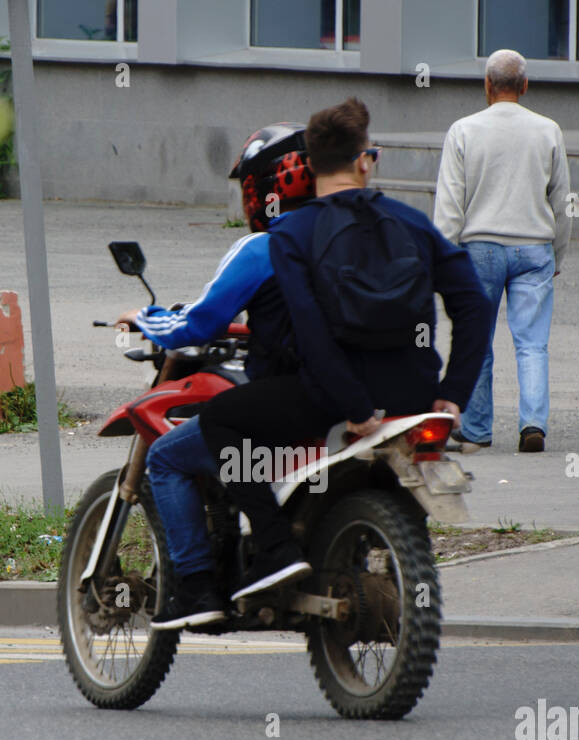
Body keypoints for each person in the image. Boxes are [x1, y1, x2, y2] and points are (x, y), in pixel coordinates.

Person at [198, 96, 492, 601]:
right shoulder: (414, 223)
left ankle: (274, 547)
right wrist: (453, 391)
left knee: (217, 421)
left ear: (310, 167)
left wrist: (354, 407)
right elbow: (475, 304)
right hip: (415, 397)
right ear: (366, 160)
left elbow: (310, 331)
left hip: (330, 401)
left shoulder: (290, 232)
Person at [112, 123, 315, 630]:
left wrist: (148, 320)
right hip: (363, 394)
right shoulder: (346, 239)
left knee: (168, 457)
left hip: (296, 395)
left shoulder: (263, 248)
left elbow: (197, 323)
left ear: (265, 187)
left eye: (248, 186)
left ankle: (199, 588)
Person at [433, 48, 571, 454]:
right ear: (525, 86)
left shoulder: (463, 130)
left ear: (487, 86)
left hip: (480, 250)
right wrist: (557, 254)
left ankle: (476, 428)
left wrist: (443, 258)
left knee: (477, 338)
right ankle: (533, 424)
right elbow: (562, 201)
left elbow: (449, 204)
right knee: (533, 343)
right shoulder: (549, 130)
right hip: (534, 249)